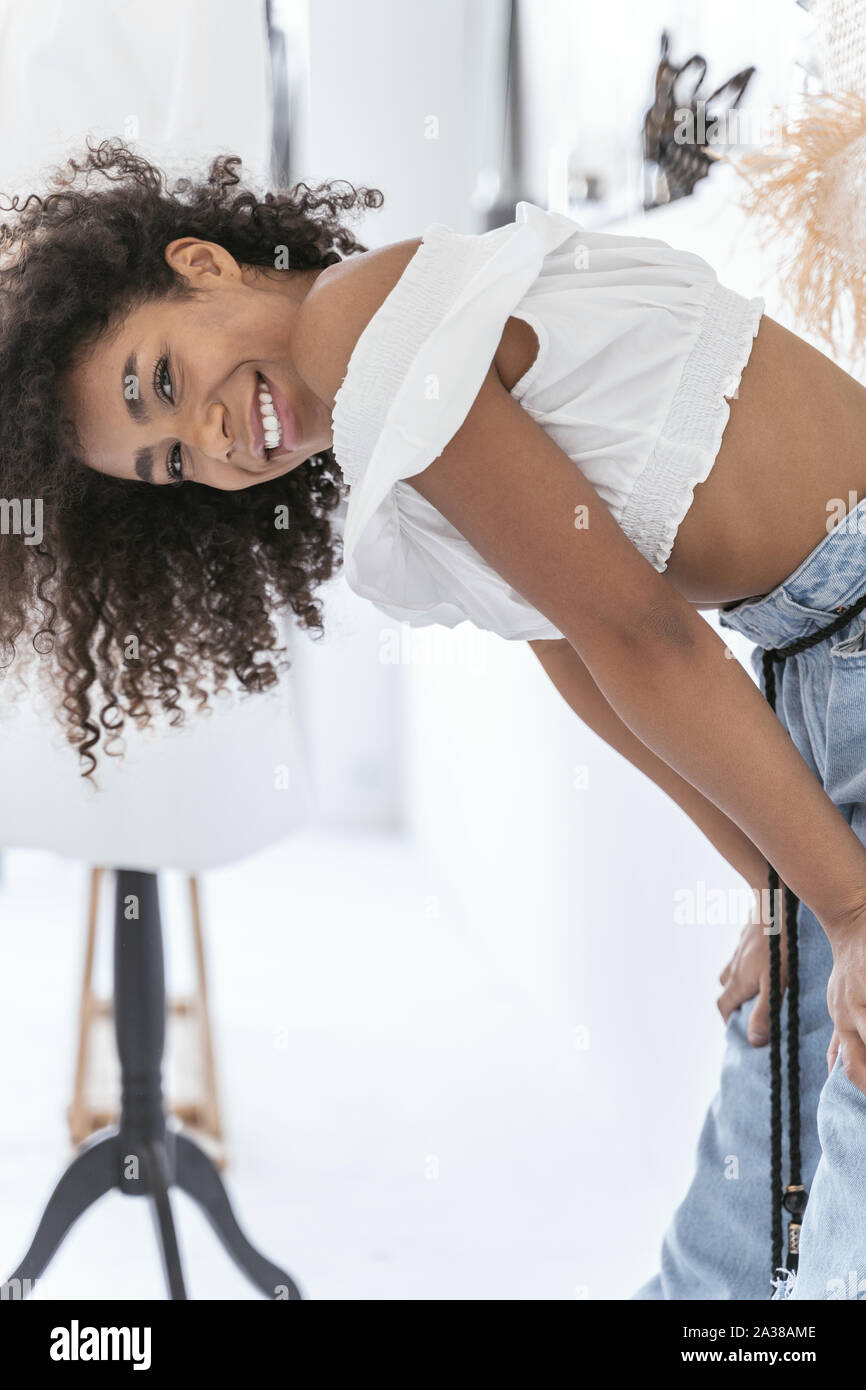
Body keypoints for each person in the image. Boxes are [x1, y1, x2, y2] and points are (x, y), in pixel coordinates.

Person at [4, 139, 866, 1299]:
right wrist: (775, 887)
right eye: (166, 463)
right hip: (816, 665)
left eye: (158, 380)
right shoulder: (390, 448)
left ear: (204, 264)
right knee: (756, 1162)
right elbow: (583, 660)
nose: (205, 439)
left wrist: (847, 907)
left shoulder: (365, 325)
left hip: (843, 633)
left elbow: (643, 637)